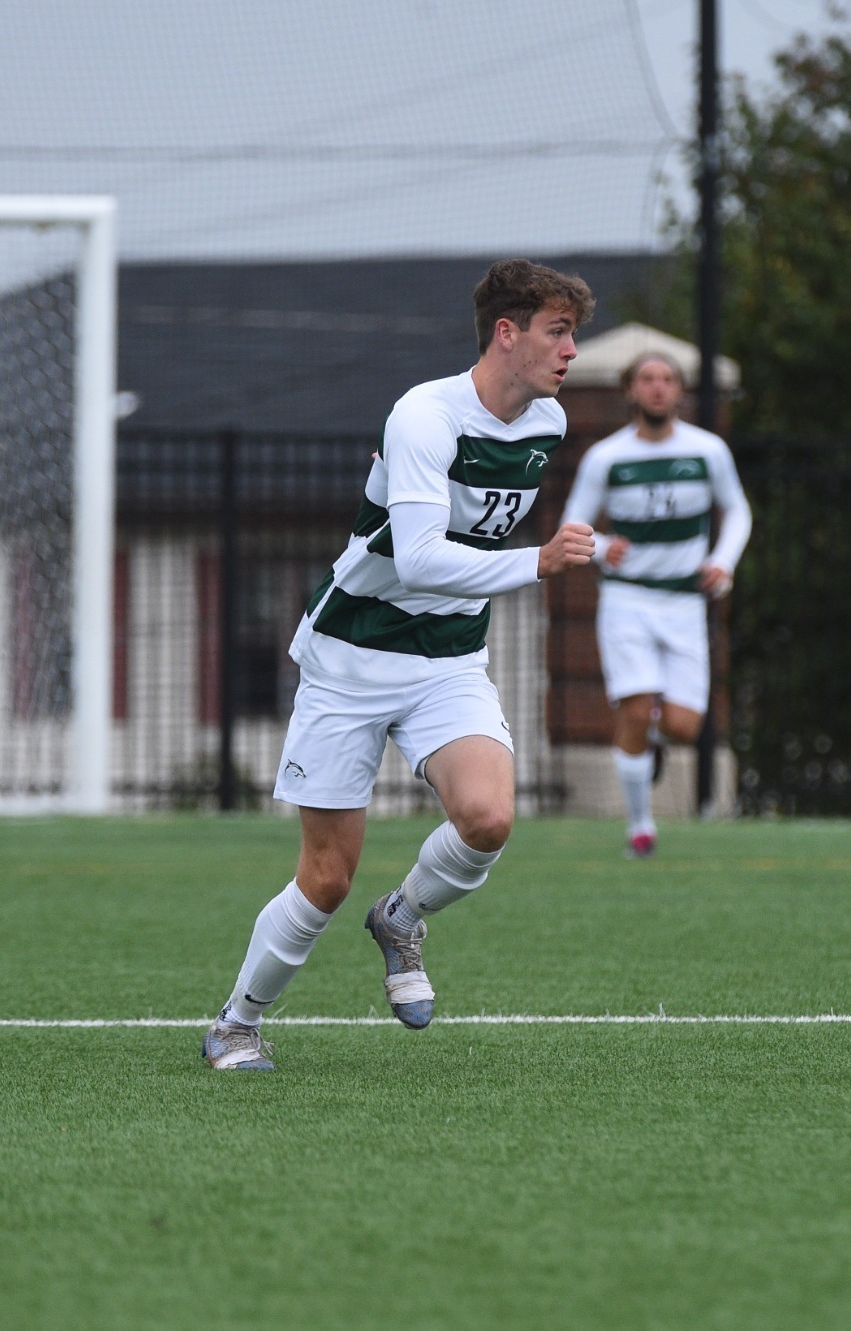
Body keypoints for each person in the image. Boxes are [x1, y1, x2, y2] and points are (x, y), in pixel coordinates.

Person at [203, 259, 599, 1071]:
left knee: (488, 819)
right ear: (507, 332)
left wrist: (527, 565)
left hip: (449, 658)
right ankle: (237, 1021)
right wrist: (539, 564)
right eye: (558, 332)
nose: (570, 352)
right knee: (325, 876)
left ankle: (403, 917)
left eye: (573, 335)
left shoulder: (547, 426)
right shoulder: (424, 416)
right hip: (352, 655)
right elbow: (418, 559)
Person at [560, 352, 751, 858]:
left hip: (684, 602)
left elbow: (737, 510)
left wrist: (723, 561)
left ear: (680, 391)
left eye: (668, 380)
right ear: (630, 391)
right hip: (626, 599)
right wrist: (602, 546)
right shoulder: (607, 456)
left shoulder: (707, 451)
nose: (658, 388)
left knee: (685, 726)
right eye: (647, 379)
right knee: (637, 706)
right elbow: (573, 525)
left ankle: (657, 742)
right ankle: (640, 829)